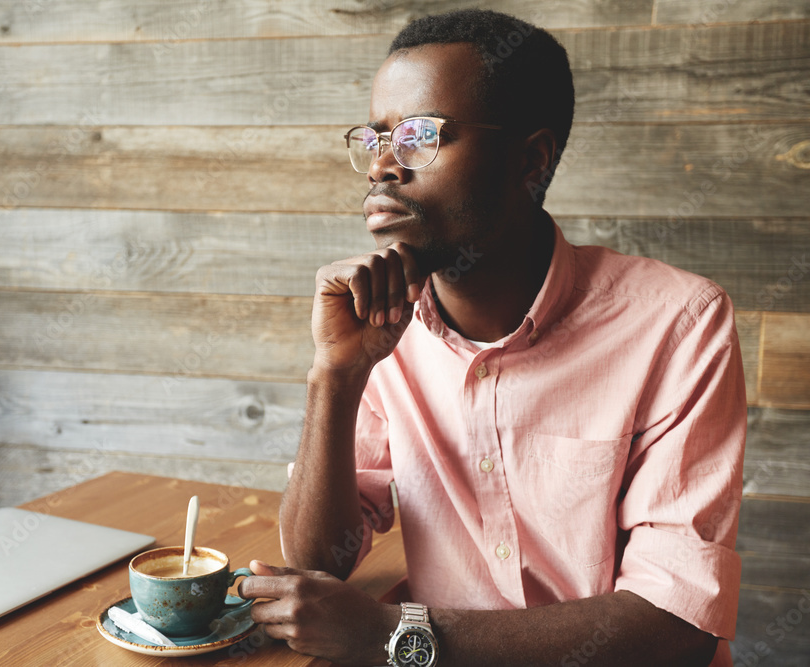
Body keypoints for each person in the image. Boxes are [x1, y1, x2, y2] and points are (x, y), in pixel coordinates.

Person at [238, 8, 745, 667]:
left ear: (529, 159)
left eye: (421, 135)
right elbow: (320, 564)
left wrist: (394, 636)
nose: (382, 166)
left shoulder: (679, 323)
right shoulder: (379, 328)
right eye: (376, 137)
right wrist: (334, 375)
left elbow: (676, 626)